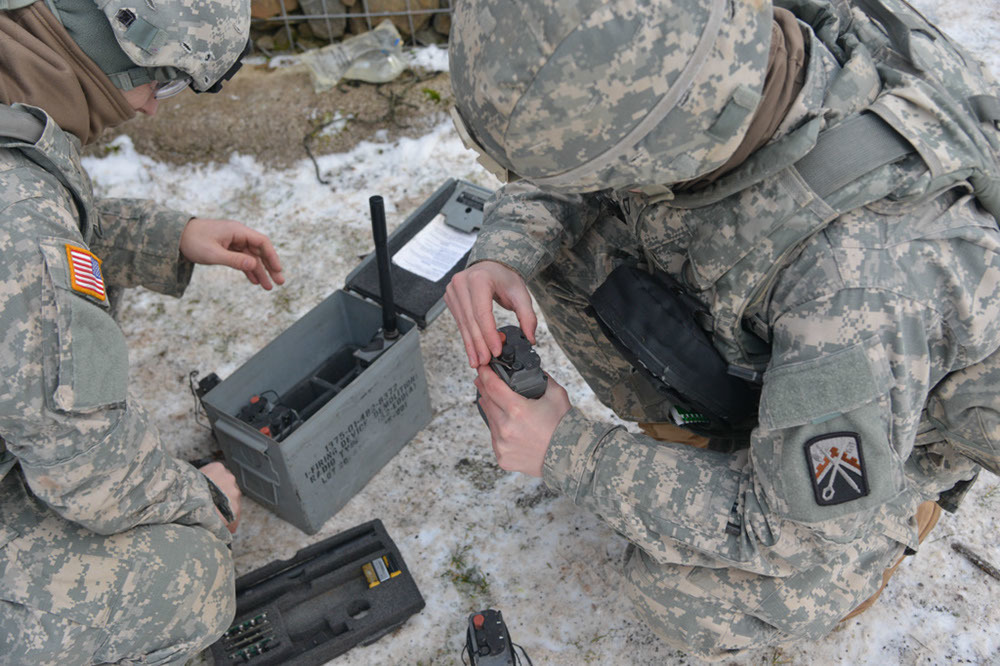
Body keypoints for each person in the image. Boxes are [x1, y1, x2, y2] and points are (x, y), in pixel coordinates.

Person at [445, 0, 1000, 658]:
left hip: (884, 426)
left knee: (683, 596)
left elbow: (788, 532)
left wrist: (568, 450)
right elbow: (590, 151)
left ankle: (898, 517)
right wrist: (503, 251)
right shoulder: (709, 46)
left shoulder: (852, 289)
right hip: (801, 326)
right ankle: (714, 433)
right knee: (564, 246)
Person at [0, 0, 284, 662]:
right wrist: (202, 496)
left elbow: (48, 239)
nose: (152, 108)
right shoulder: (20, 218)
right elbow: (90, 475)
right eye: (161, 82)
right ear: (118, 41)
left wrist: (170, 235)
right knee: (188, 580)